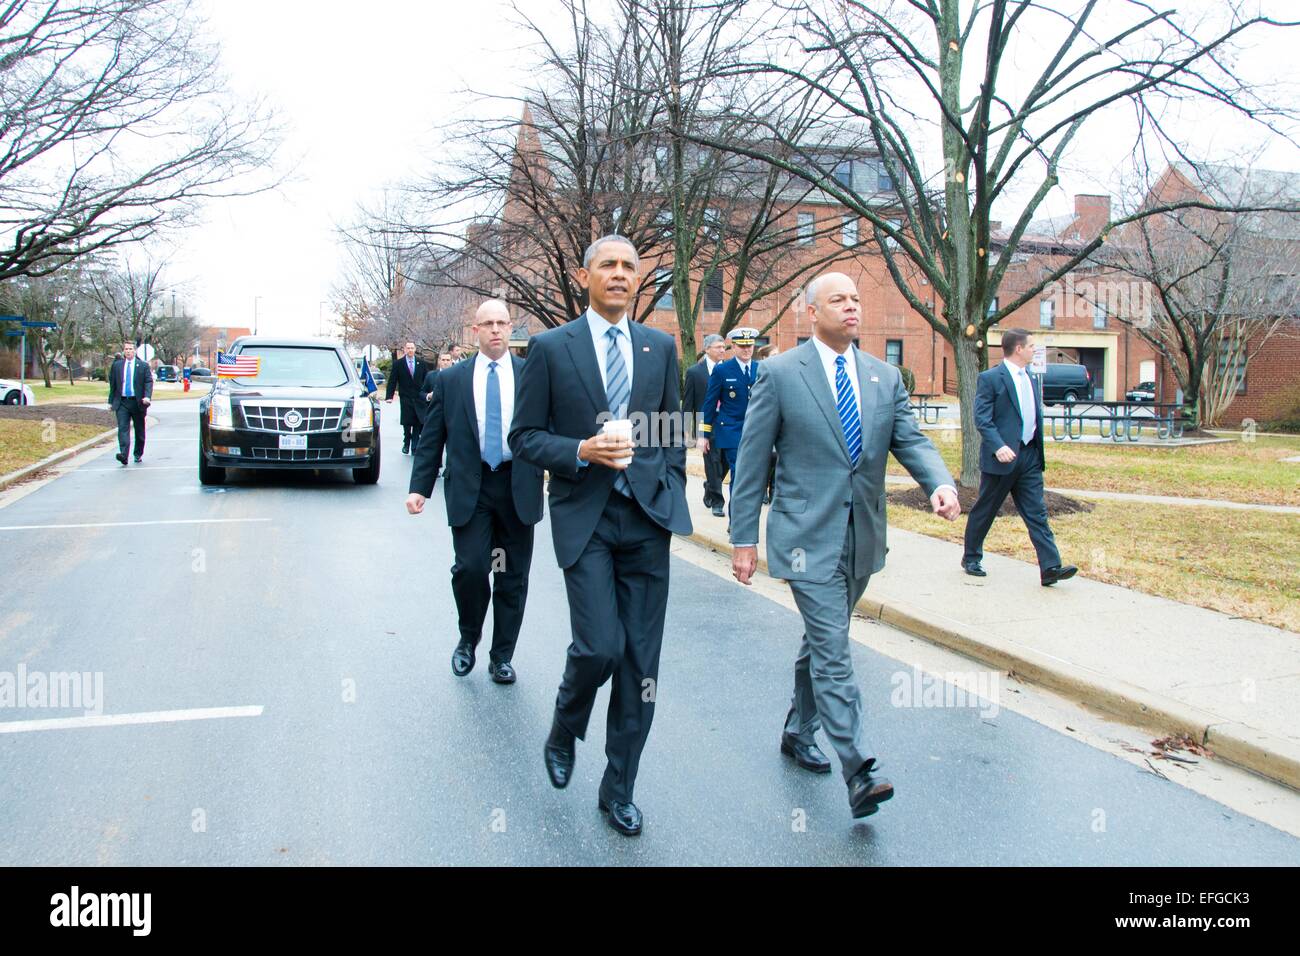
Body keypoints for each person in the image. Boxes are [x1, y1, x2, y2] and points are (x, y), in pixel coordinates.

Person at [730, 272, 961, 820]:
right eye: (839, 299)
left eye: (856, 298)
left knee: (822, 640)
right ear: (811, 312)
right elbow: (751, 461)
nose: (852, 307)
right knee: (834, 649)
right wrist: (743, 539)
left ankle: (796, 728)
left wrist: (941, 483)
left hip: (862, 539)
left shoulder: (884, 377)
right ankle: (859, 767)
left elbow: (909, 438)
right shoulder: (781, 373)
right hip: (805, 539)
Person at [509, 234, 690, 837]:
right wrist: (581, 449)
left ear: (638, 280)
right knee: (599, 648)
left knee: (642, 665)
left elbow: (671, 429)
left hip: (645, 521)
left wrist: (667, 490)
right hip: (584, 518)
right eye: (607, 265)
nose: (618, 274)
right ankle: (565, 724)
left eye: (628, 267)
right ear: (586, 276)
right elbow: (525, 438)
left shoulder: (660, 346)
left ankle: (619, 788)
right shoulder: (551, 348)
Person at [407, 302, 542, 684]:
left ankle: (502, 656)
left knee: (512, 576)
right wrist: (419, 488)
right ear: (475, 330)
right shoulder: (452, 381)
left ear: (510, 327)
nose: (496, 330)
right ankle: (468, 638)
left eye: (502, 323)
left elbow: (547, 429)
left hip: (517, 486)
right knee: (470, 568)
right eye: (488, 324)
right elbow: (433, 438)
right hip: (472, 486)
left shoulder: (530, 374)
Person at [962, 328, 1078, 586]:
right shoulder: (991, 378)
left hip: (1029, 457)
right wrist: (998, 446)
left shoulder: (1031, 378)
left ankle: (1050, 567)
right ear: (1018, 348)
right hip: (1002, 458)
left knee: (1037, 512)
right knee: (986, 509)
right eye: (1031, 346)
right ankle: (971, 557)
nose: (1034, 349)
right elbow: (982, 418)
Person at [698, 326, 760, 520]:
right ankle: (736, 521)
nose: (747, 349)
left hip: (757, 431)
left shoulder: (761, 369)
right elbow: (709, 403)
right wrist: (704, 435)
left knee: (753, 477)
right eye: (742, 346)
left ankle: (747, 517)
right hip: (732, 430)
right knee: (739, 473)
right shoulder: (722, 370)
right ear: (734, 346)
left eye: (750, 345)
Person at [682, 333, 728, 516]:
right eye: (718, 347)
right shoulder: (695, 372)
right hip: (706, 425)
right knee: (713, 462)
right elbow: (687, 404)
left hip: (728, 424)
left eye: (724, 347)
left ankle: (710, 485)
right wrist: (686, 431)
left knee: (726, 462)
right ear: (707, 349)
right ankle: (717, 501)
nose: (722, 350)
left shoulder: (730, 370)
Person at [107, 342, 153, 466]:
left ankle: (138, 454)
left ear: (135, 351)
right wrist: (111, 401)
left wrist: (147, 396)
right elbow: (113, 384)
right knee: (123, 428)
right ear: (123, 351)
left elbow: (148, 381)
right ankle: (123, 454)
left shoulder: (142, 366)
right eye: (126, 349)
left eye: (130, 349)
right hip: (122, 402)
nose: (128, 351)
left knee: (139, 430)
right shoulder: (117, 366)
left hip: (138, 402)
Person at [385, 341, 429, 454]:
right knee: (407, 422)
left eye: (412, 348)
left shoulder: (422, 363)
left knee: (417, 422)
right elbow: (392, 380)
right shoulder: (398, 364)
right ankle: (406, 442)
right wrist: (389, 396)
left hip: (419, 397)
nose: (410, 350)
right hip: (405, 397)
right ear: (404, 349)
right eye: (408, 348)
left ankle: (415, 446)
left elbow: (426, 380)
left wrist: (428, 395)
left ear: (415, 349)